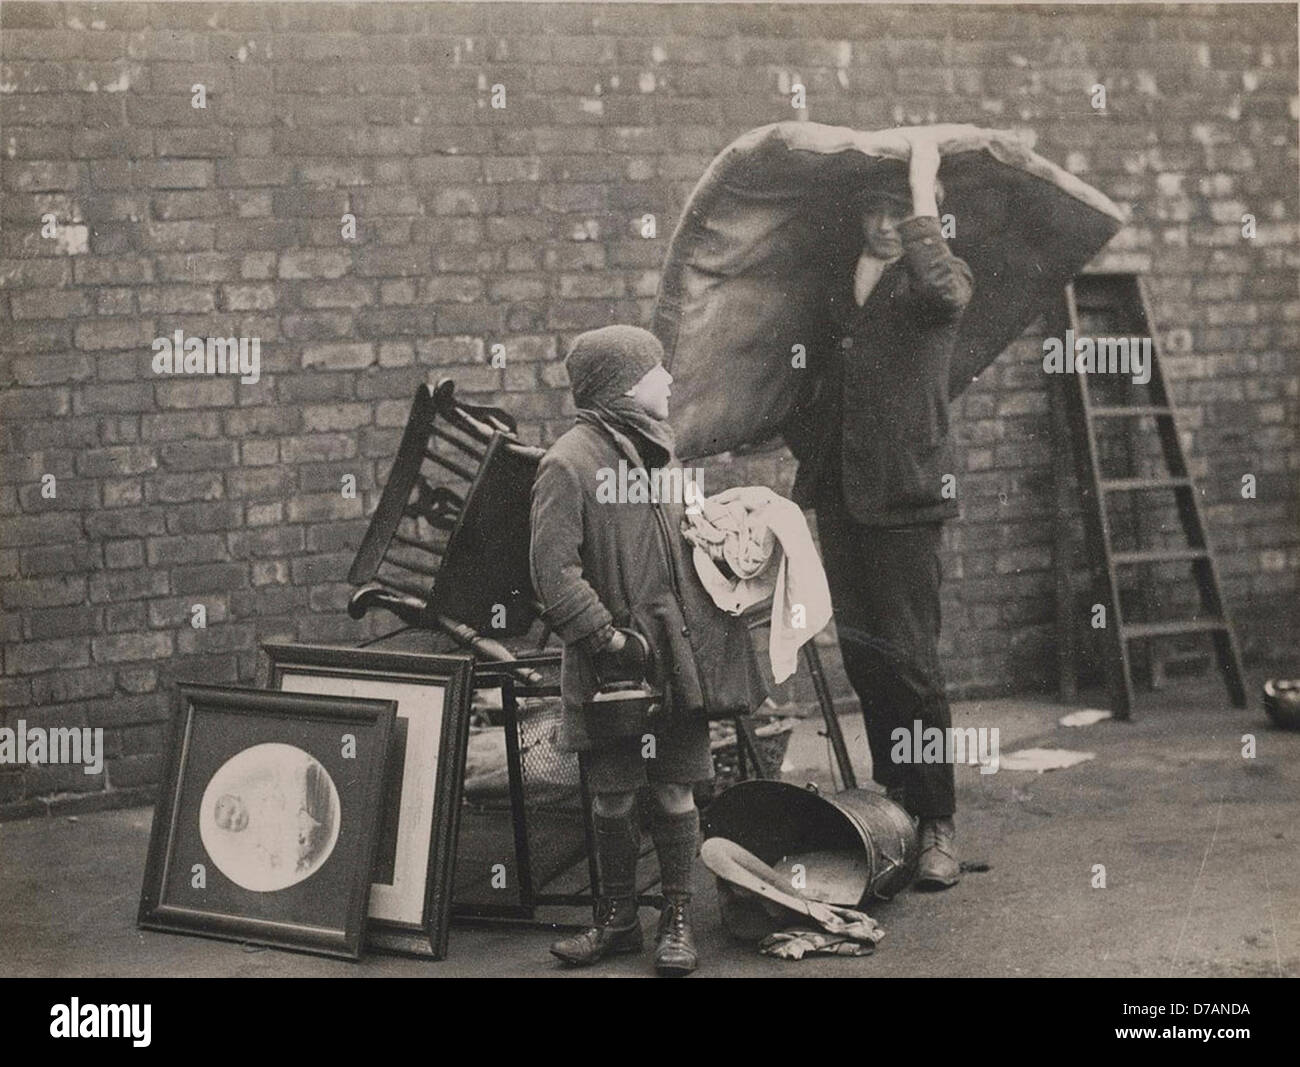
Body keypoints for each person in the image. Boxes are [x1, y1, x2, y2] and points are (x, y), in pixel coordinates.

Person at [530, 325, 764, 975]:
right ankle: (616, 921)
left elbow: (674, 549)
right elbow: (553, 572)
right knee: (612, 795)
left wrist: (719, 534)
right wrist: (605, 637)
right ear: (625, 387)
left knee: (674, 791)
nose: (668, 381)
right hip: (612, 660)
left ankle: (677, 920)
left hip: (671, 651)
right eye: (656, 372)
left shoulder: (661, 453)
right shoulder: (567, 462)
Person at [790, 137, 974, 889]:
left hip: (903, 500)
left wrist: (924, 190)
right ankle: (895, 805)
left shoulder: (938, 279)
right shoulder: (839, 289)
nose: (887, 223)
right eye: (876, 208)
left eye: (901, 210)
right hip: (841, 499)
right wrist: (811, 440)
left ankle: (937, 822)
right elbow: (807, 376)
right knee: (867, 664)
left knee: (913, 666)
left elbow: (944, 291)